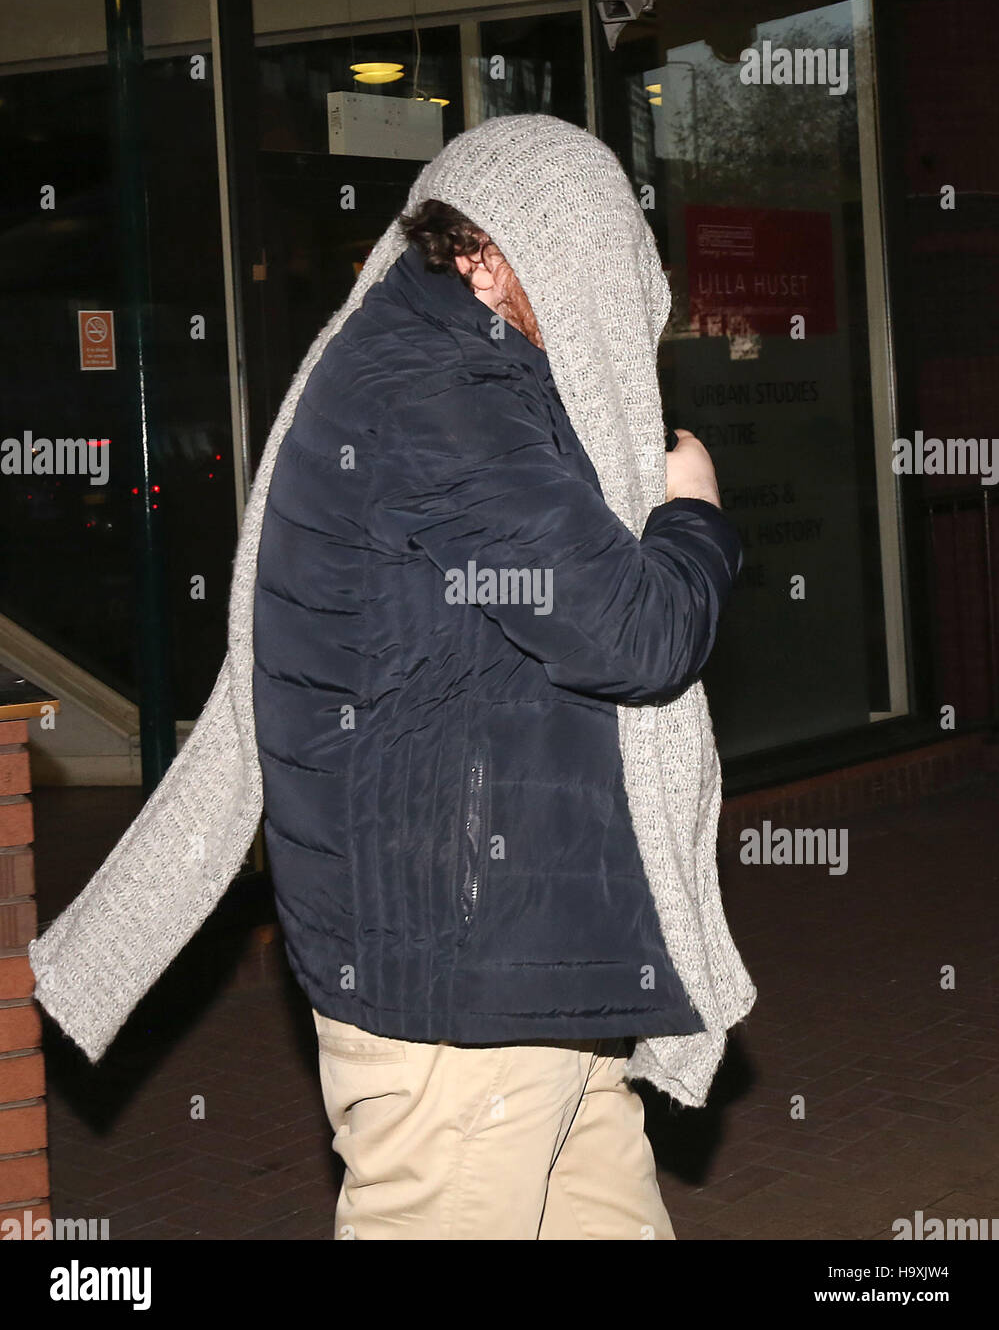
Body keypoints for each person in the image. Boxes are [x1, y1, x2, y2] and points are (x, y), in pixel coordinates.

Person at [29, 114, 755, 1242]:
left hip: (531, 985)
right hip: (464, 1003)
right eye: (600, 276)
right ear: (503, 255)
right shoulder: (438, 397)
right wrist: (694, 513)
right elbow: (632, 631)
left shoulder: (450, 376)